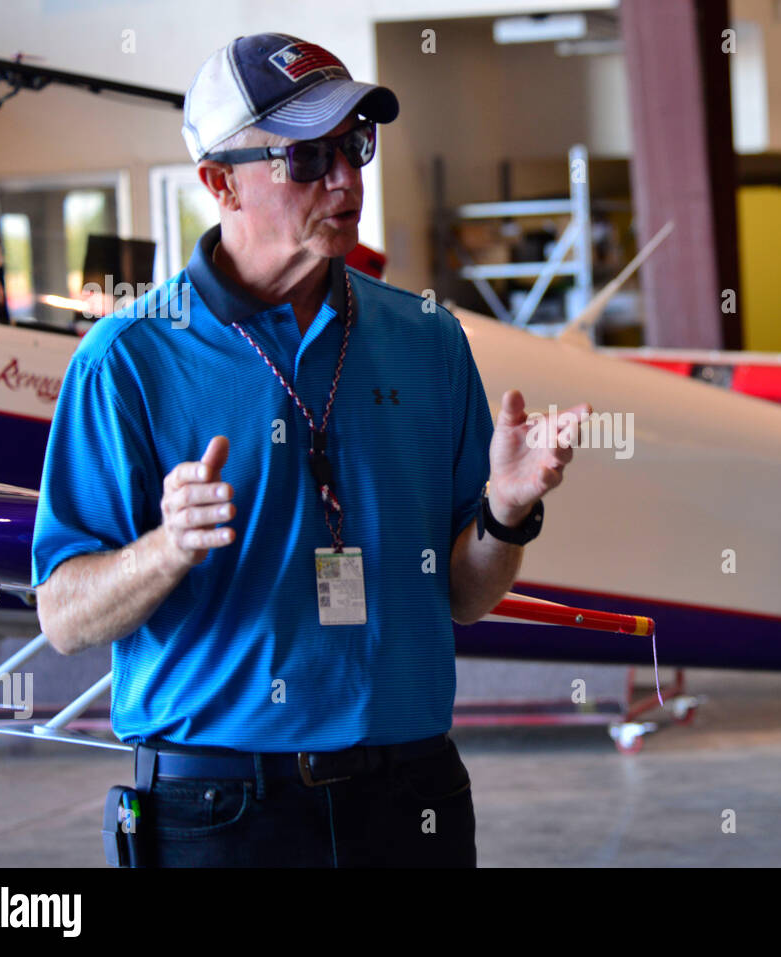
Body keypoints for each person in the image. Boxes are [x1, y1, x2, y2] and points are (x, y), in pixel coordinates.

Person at [31, 33, 588, 867]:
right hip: (217, 813)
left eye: (356, 146)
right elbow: (65, 617)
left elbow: (466, 598)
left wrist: (507, 514)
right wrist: (165, 550)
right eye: (308, 158)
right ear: (218, 181)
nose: (348, 180)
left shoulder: (428, 340)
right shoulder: (127, 362)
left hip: (411, 799)